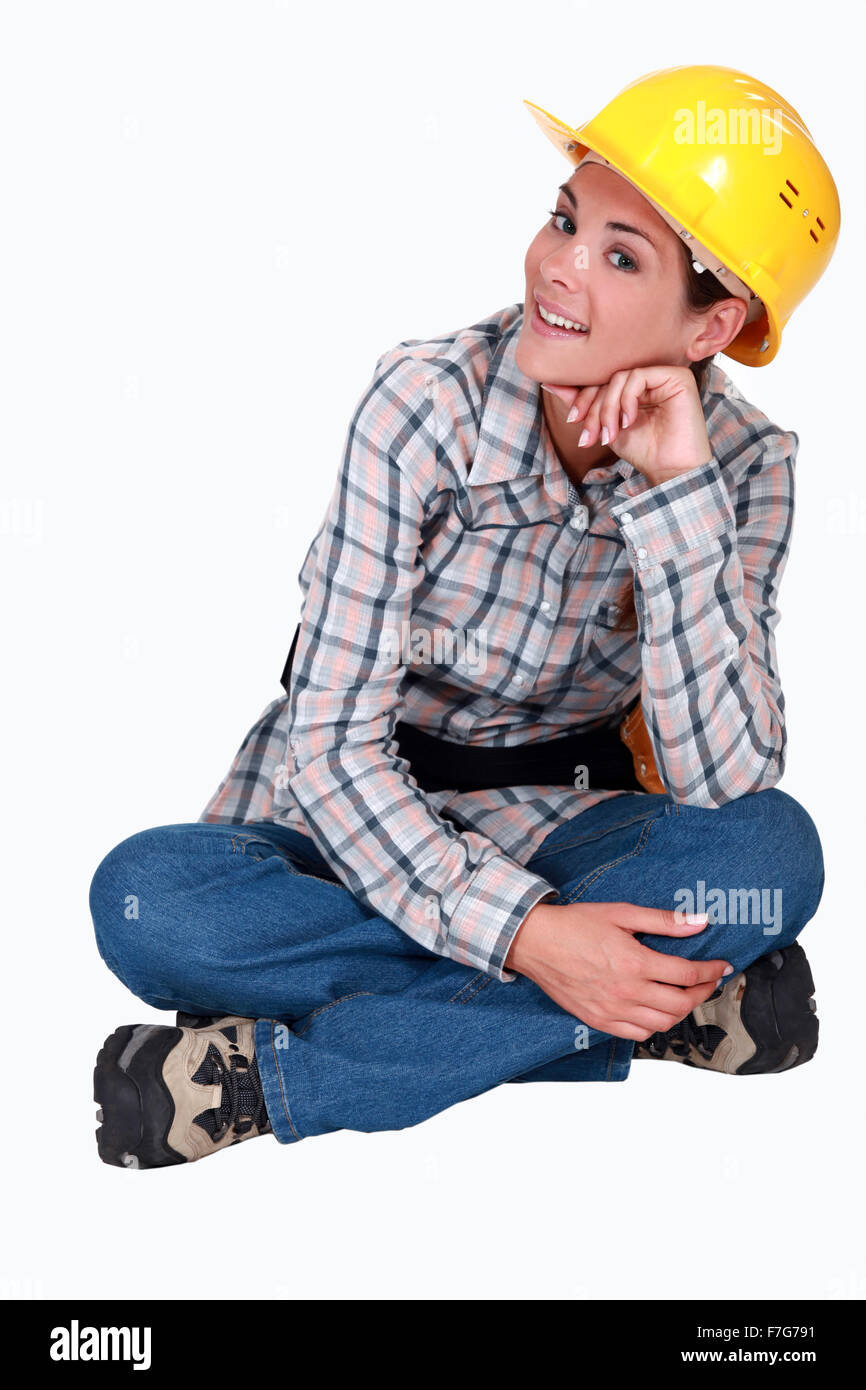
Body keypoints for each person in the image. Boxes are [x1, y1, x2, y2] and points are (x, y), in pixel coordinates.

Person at [89, 64, 838, 1168]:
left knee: (773, 856)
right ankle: (657, 1005)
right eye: (563, 220)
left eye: (619, 256)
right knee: (150, 901)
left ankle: (271, 1076)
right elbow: (332, 747)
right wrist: (534, 937)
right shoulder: (419, 406)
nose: (557, 268)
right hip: (349, 820)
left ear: (709, 322)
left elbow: (724, 782)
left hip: (568, 819)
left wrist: (677, 496)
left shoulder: (744, 465)